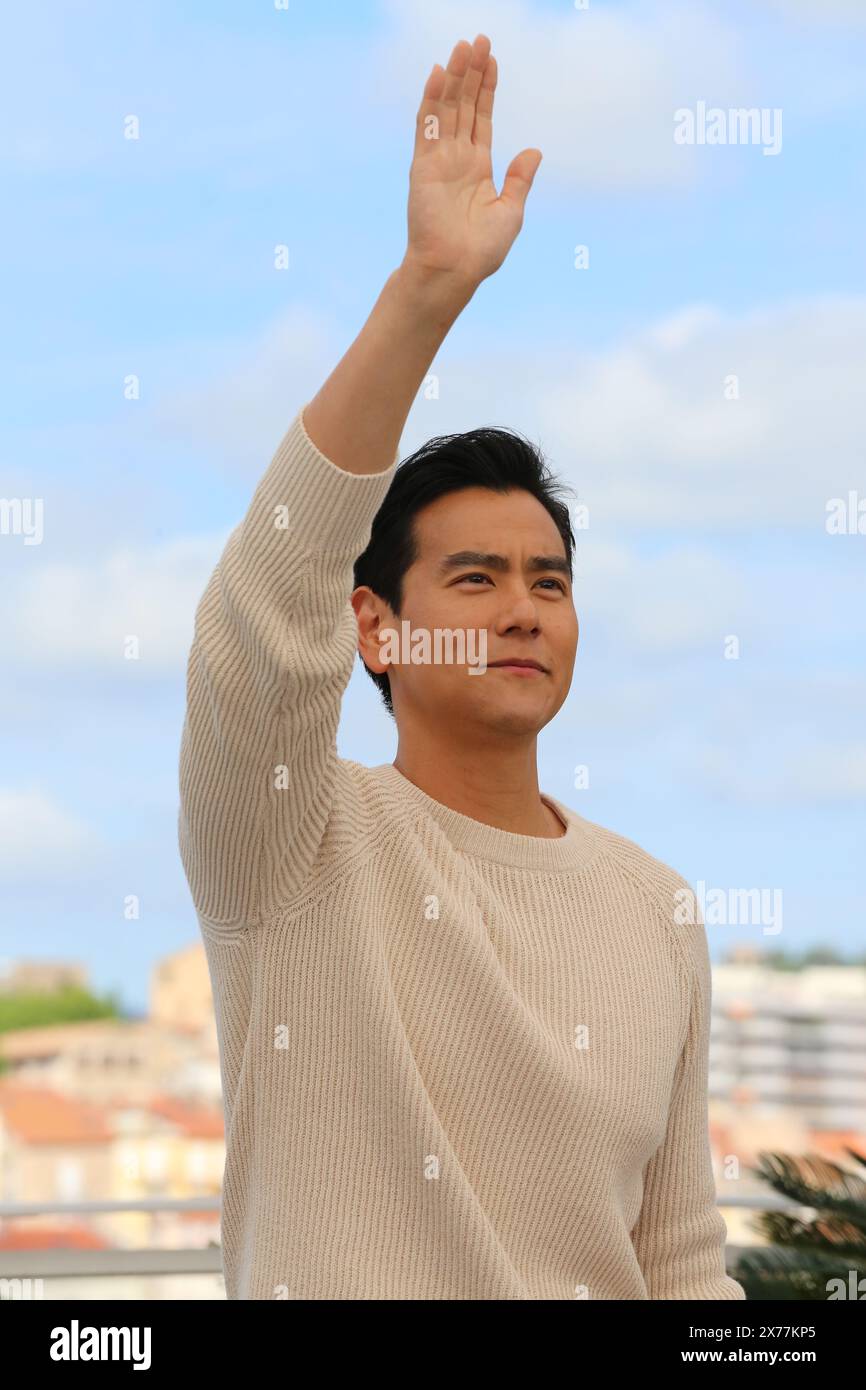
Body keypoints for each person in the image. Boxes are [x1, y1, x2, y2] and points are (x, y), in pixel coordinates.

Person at [178, 32, 746, 1301]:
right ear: (374, 627)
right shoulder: (292, 840)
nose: (524, 611)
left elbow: (678, 1256)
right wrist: (424, 295)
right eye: (475, 580)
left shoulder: (655, 905)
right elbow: (260, 615)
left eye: (548, 581)